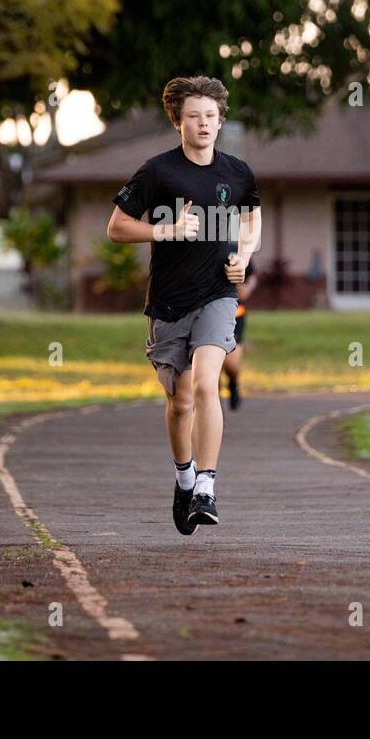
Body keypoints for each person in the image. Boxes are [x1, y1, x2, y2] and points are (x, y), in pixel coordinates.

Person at [106, 76, 262, 534]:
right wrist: (166, 231)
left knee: (206, 385)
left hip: (218, 294)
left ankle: (207, 489)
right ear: (178, 121)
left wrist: (244, 258)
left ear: (221, 120)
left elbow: (253, 218)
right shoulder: (157, 172)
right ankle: (184, 477)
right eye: (194, 116)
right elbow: (116, 227)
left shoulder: (238, 172)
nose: (204, 124)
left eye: (211, 116)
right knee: (180, 402)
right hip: (169, 304)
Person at [221, 263, 256, 409]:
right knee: (209, 373)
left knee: (232, 365)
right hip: (204, 311)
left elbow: (252, 275)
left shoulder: (235, 245)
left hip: (234, 313)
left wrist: (248, 287)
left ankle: (233, 381)